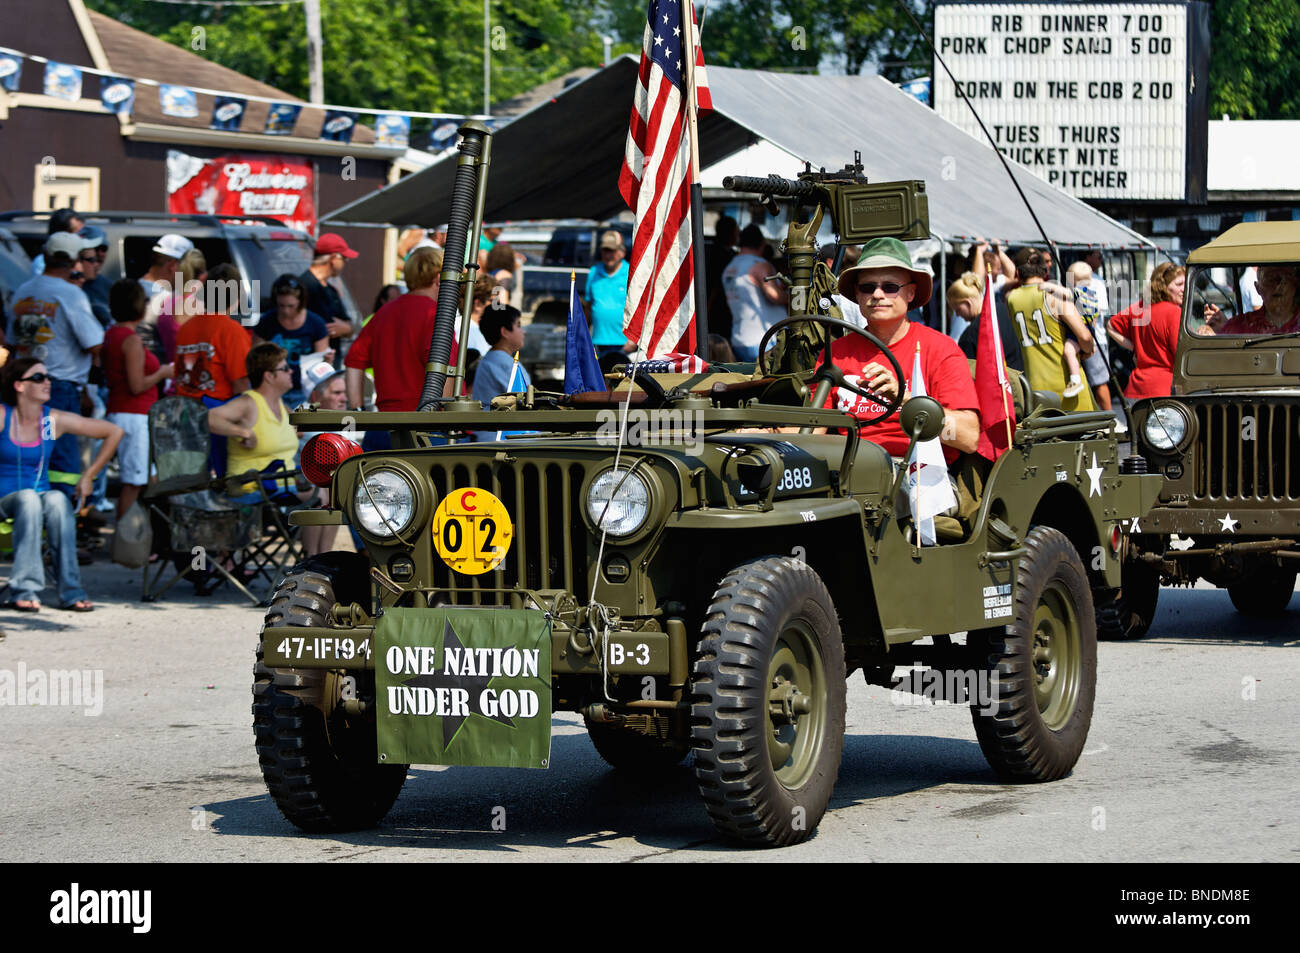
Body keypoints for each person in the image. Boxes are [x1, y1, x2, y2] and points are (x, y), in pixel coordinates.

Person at [820, 237, 980, 464]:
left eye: (890, 287)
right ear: (857, 294)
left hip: (920, 475)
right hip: (848, 470)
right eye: (868, 287)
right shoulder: (836, 352)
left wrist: (905, 400)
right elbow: (813, 429)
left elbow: (968, 438)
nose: (877, 295)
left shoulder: (941, 350)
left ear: (911, 293)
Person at [0, 358, 122, 612]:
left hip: (37, 501)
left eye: (48, 378)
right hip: (5, 501)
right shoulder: (3, 415)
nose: (47, 382)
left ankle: (70, 591)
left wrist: (89, 476)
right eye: (38, 378)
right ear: (19, 386)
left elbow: (113, 432)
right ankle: (24, 589)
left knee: (55, 498)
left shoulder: (49, 422)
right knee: (28, 498)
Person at [6, 232, 106, 502]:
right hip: (57, 388)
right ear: (72, 260)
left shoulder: (24, 291)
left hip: (24, 387)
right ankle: (58, 525)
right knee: (61, 462)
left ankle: (34, 522)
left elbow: (13, 343)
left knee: (30, 457)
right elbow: (95, 343)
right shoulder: (70, 294)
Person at [344, 247, 456, 449]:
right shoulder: (436, 316)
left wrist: (357, 408)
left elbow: (353, 362)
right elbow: (445, 370)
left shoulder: (383, 313)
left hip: (382, 427)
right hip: (427, 430)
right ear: (439, 278)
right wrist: (445, 415)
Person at [103, 280, 173, 519]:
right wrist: (162, 373)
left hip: (124, 410)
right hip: (133, 413)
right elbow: (136, 386)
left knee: (147, 477)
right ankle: (125, 543)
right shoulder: (130, 339)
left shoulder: (112, 334)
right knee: (134, 482)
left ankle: (145, 537)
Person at [174, 264, 251, 475]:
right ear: (237, 297)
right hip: (218, 417)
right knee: (224, 483)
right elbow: (241, 384)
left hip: (185, 412)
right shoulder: (232, 331)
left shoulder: (186, 328)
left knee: (193, 482)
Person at [1006, 248, 1096, 411]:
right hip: (1068, 387)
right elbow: (1084, 337)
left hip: (1036, 390)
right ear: (1044, 269)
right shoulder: (1053, 295)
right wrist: (1088, 349)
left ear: (1018, 273)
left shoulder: (1011, 299)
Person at [251, 274, 331, 408]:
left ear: (301, 302)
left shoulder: (316, 324)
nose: (285, 311)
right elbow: (256, 361)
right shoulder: (266, 322)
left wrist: (328, 361)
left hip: (304, 392)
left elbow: (320, 364)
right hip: (273, 390)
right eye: (281, 305)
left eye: (291, 306)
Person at [1107, 263, 1183, 401]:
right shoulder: (1174, 312)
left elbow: (1110, 325)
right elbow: (1180, 354)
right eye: (1179, 284)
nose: (1184, 288)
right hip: (1165, 389)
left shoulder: (1140, 308)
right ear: (1164, 286)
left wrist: (1135, 347)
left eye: (1185, 284)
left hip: (1135, 389)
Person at [724, 225, 788, 362]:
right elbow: (775, 296)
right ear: (762, 244)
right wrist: (793, 295)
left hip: (739, 339)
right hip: (766, 341)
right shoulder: (760, 265)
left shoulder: (729, 268)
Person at [471, 305, 529, 442]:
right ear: (505, 332)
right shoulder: (504, 362)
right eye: (518, 325)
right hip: (502, 437)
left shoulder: (492, 359)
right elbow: (525, 402)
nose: (523, 331)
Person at [947, 272, 1024, 372]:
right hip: (1020, 382)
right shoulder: (1001, 309)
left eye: (957, 309)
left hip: (1000, 385)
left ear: (967, 303)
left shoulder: (970, 335)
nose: (957, 315)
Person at [300, 233, 359, 358]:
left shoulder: (331, 290)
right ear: (333, 259)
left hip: (329, 359)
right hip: (309, 359)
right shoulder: (304, 287)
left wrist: (347, 328)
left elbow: (347, 323)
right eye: (344, 259)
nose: (345, 263)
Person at [1066, 261, 1113, 410]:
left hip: (1093, 339)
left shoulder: (1095, 286)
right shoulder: (1078, 288)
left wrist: (1087, 339)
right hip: (1080, 337)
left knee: (1099, 382)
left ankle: (1109, 414)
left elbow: (1095, 316)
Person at [585, 230, 631, 358]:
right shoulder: (593, 272)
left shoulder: (631, 273)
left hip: (625, 344)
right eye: (606, 250)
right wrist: (584, 337)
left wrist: (635, 339)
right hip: (598, 343)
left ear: (622, 253)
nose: (608, 255)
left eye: (613, 251)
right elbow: (588, 307)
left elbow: (642, 310)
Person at [1218, 265, 1300, 335]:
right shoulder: (1238, 325)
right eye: (1270, 279)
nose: (1278, 286)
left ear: (1295, 284)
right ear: (1258, 288)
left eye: (1284, 279)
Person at [706, 216, 739, 343]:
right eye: (736, 231)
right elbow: (715, 284)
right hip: (720, 306)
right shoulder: (719, 255)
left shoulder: (729, 253)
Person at [30, 208, 85, 276]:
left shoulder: (84, 258)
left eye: (83, 233)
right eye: (77, 233)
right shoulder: (42, 264)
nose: (82, 237)